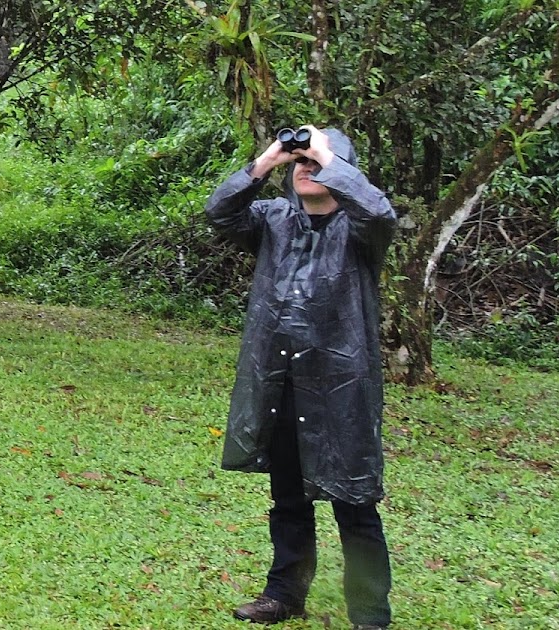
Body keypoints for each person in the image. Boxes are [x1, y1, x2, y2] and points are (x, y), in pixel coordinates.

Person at [205, 126, 396, 630]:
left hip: (341, 385)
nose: (307, 169)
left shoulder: (359, 228)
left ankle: (371, 614)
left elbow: (379, 211)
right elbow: (219, 212)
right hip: (280, 380)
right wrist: (268, 159)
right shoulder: (273, 219)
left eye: (319, 164)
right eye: (301, 164)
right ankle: (284, 593)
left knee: (354, 503)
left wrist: (325, 157)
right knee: (287, 496)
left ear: (343, 171)